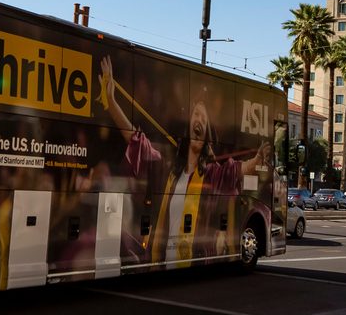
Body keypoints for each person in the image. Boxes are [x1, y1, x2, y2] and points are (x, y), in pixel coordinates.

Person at [98, 55, 271, 267]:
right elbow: (136, 140)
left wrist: (257, 160)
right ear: (189, 126)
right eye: (196, 115)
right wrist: (112, 102)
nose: (200, 120)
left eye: (204, 119)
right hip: (161, 261)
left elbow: (238, 169)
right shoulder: (167, 170)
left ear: (206, 135)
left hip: (193, 260)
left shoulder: (214, 174)